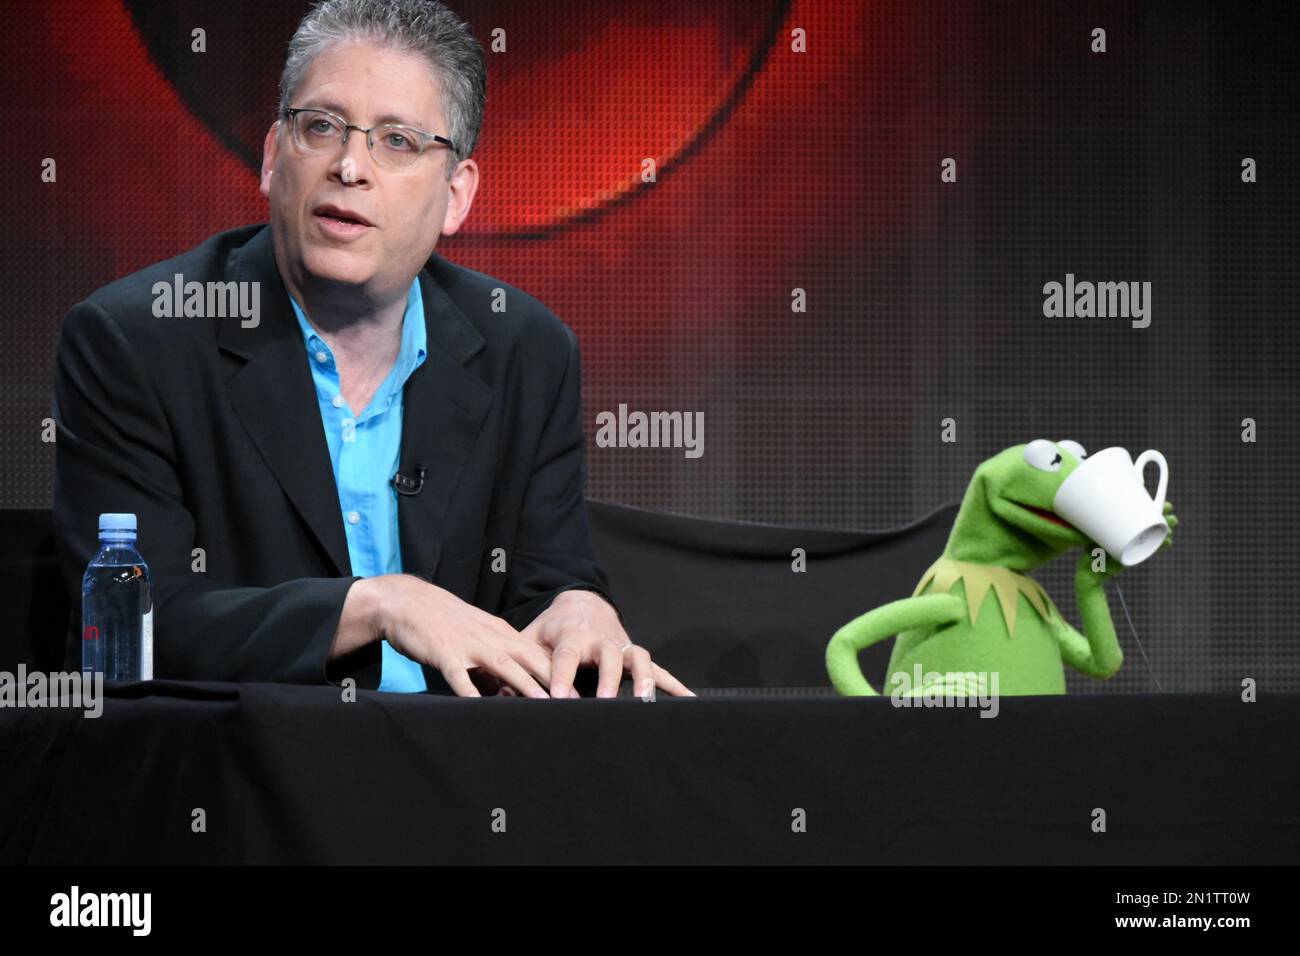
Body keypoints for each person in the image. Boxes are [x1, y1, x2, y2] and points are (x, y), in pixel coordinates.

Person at [52, 0, 691, 700]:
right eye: (320, 127)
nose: (350, 166)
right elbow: (132, 635)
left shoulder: (526, 351)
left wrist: (579, 608)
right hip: (244, 778)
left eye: (397, 141)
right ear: (272, 157)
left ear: (456, 195)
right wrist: (375, 605)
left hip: (463, 781)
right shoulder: (137, 340)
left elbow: (548, 583)